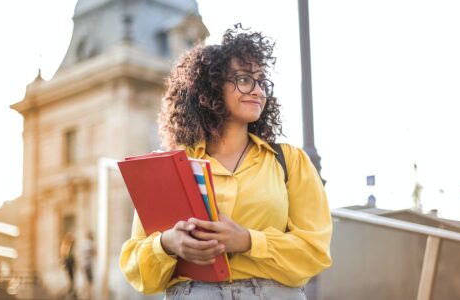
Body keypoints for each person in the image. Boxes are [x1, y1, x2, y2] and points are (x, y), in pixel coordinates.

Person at [119, 24, 332, 299]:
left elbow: (315, 252)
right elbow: (137, 268)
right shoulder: (171, 167)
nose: (258, 90)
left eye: (261, 80)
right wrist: (168, 243)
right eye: (244, 79)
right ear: (211, 86)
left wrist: (247, 240)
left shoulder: (289, 161)